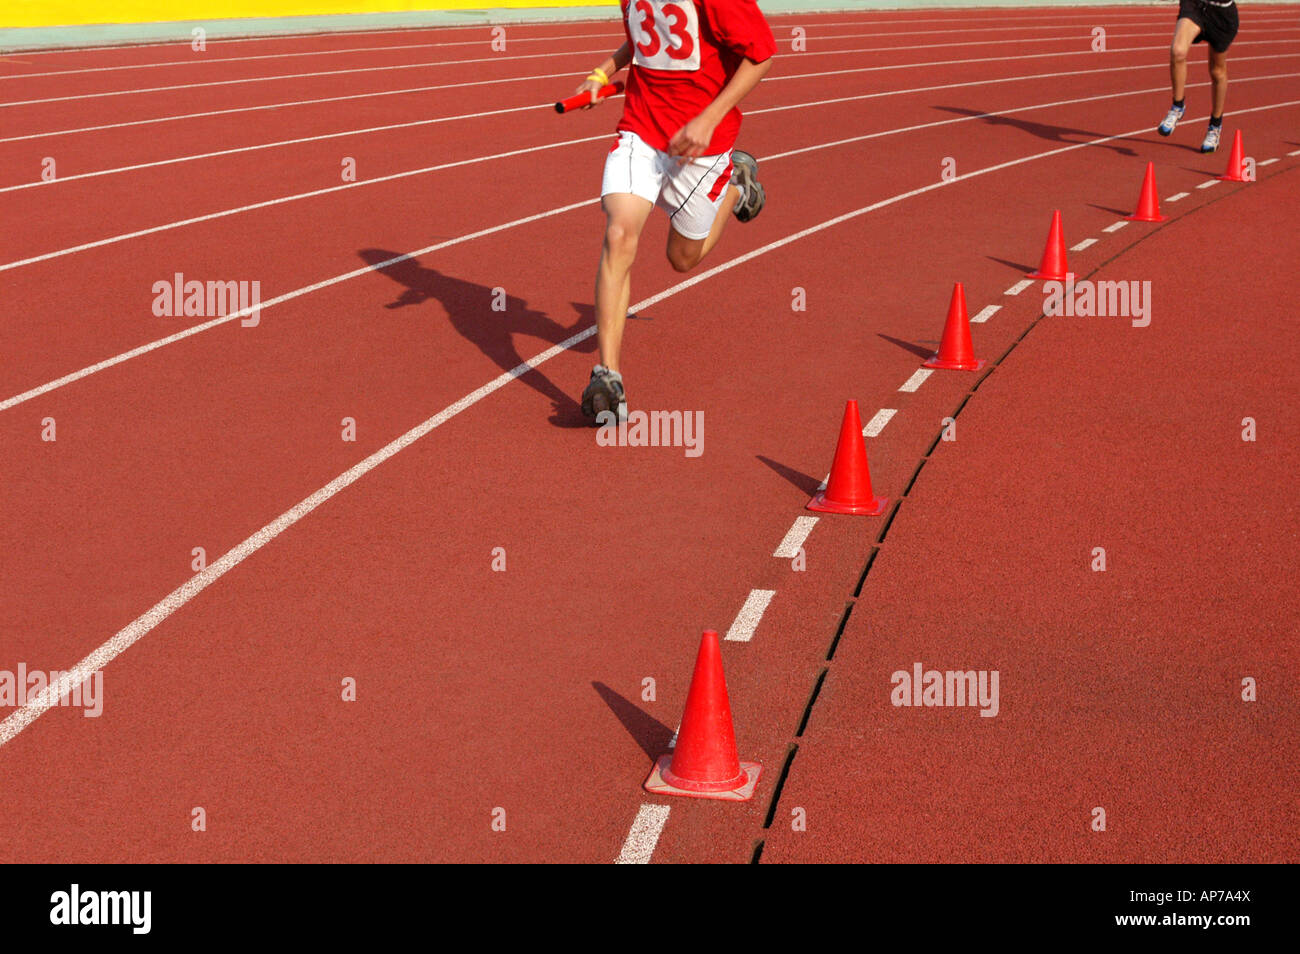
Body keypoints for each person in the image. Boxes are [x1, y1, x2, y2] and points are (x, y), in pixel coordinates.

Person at [573, 0, 776, 423]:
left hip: (703, 143)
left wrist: (708, 118)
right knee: (619, 233)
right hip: (641, 131)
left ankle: (736, 188)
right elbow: (646, 37)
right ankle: (607, 376)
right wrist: (602, 73)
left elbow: (761, 53)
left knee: (682, 259)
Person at [1157, 0, 1239, 152]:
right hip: (1195, 5)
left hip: (1222, 14)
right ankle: (1178, 106)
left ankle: (1215, 125)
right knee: (1178, 51)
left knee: (1217, 71)